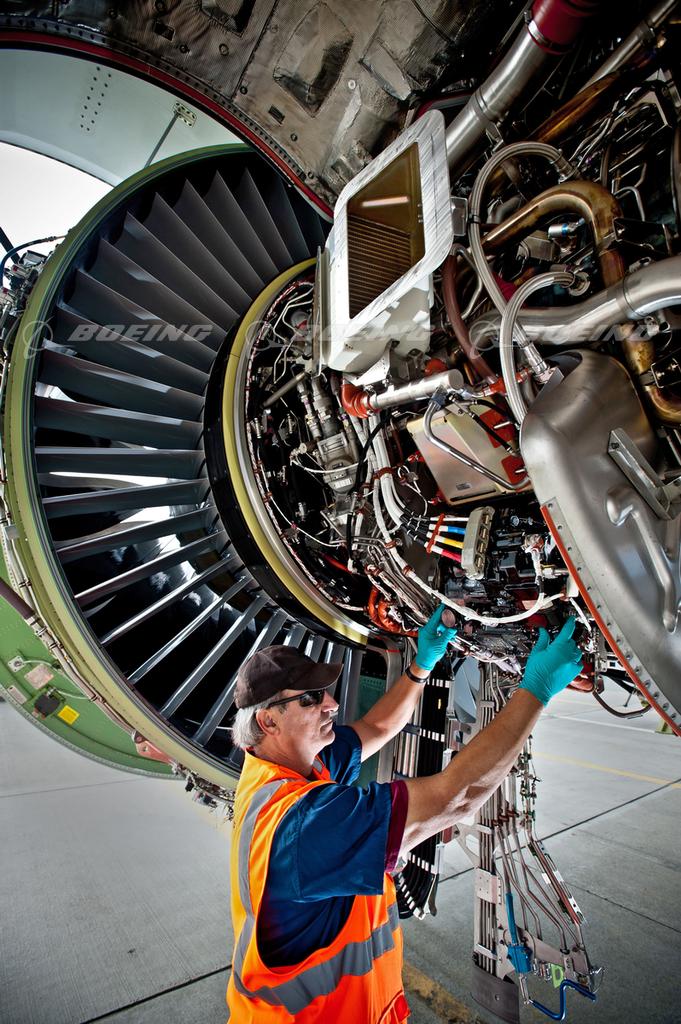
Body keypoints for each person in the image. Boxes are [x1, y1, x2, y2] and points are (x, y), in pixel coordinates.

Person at [226, 607, 583, 1022]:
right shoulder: (303, 826)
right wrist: (535, 691)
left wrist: (421, 664)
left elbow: (375, 728)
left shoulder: (295, 767)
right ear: (269, 721)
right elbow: (456, 796)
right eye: (310, 699)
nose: (331, 704)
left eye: (324, 690)